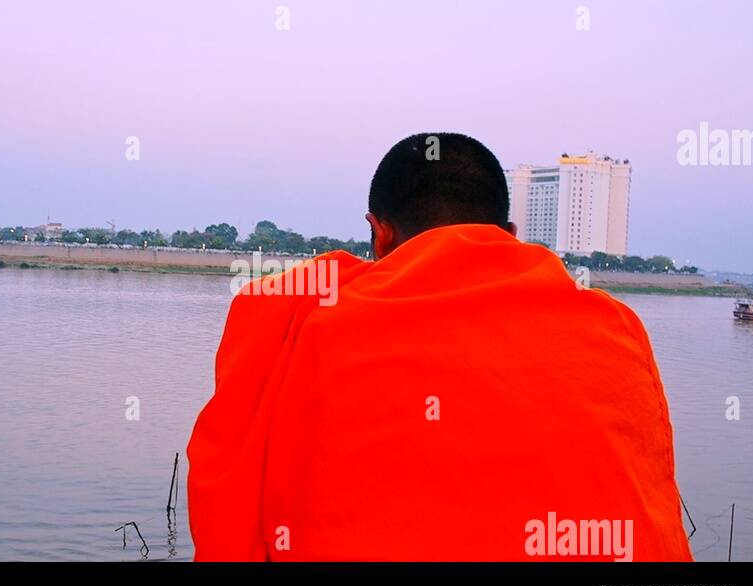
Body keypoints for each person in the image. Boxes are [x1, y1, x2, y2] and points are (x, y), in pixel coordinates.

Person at [187, 133, 693, 561]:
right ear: (510, 236)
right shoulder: (613, 329)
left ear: (379, 235)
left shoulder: (305, 320)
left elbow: (229, 510)